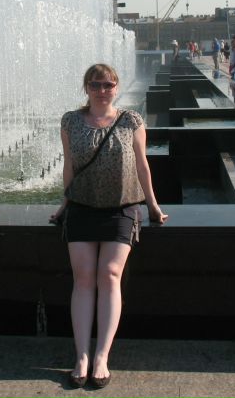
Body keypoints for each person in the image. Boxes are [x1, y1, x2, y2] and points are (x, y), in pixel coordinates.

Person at [50, 63, 168, 389]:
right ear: (86, 88)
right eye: (95, 85)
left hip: (122, 208)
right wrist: (64, 204)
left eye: (108, 85)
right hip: (81, 207)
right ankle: (81, 356)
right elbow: (69, 166)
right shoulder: (70, 121)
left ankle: (102, 356)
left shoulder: (131, 120)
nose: (102, 91)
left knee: (110, 274)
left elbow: (142, 166)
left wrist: (153, 205)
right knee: (83, 277)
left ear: (116, 87)